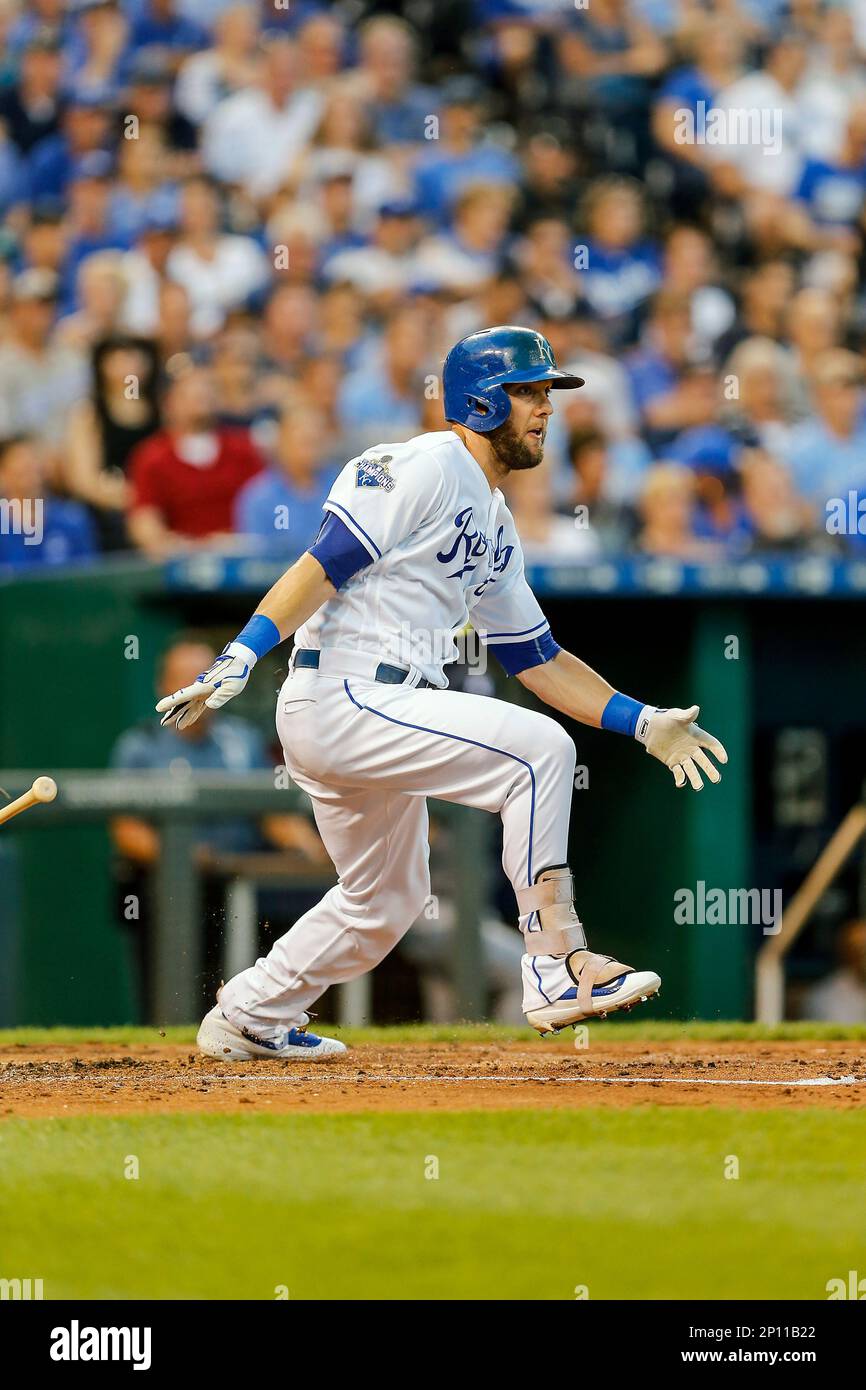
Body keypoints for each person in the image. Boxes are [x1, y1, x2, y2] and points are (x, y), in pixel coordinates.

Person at [156, 325, 728, 1061]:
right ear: (482, 403)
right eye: (527, 392)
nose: (545, 408)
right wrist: (243, 650)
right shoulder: (424, 464)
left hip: (373, 711)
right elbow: (322, 562)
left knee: (385, 901)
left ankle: (251, 1014)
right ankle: (555, 963)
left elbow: (538, 659)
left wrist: (642, 721)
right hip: (346, 691)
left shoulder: (495, 517)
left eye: (546, 392)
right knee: (538, 751)